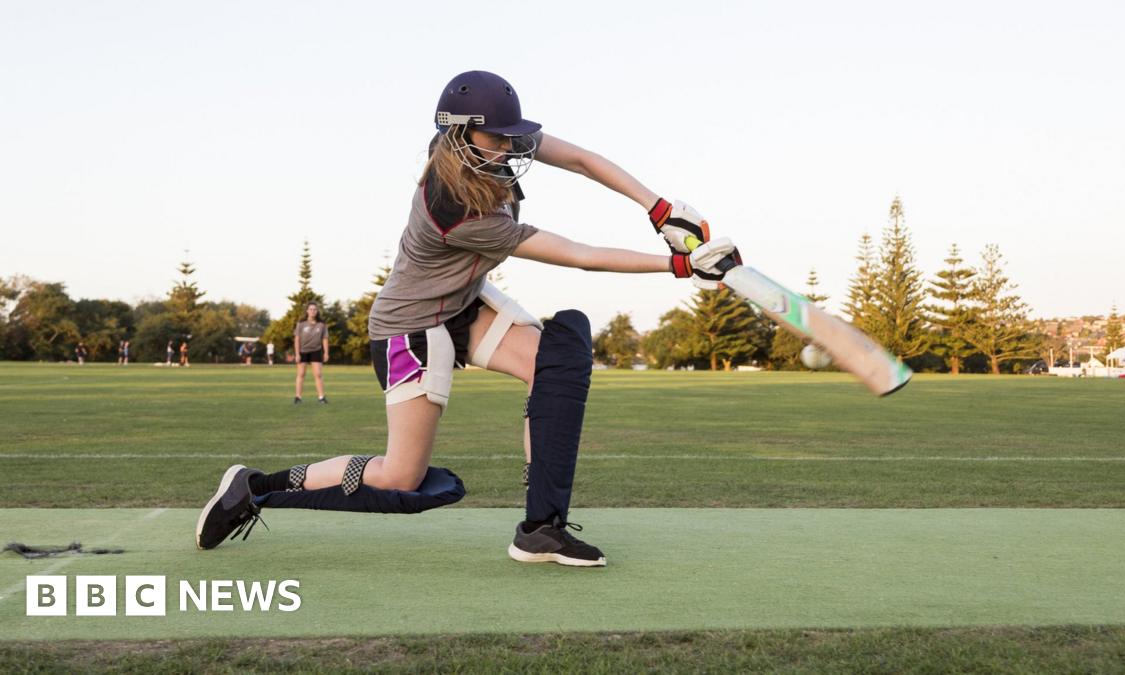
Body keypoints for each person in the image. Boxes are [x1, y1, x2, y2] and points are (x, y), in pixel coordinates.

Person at [195, 71, 737, 568]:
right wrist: (679, 265)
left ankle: (541, 530)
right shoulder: (456, 209)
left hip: (461, 304)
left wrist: (660, 208)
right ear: (460, 134)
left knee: (558, 360)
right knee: (400, 477)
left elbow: (580, 159)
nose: (509, 147)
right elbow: (577, 253)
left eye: (510, 136)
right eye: (497, 138)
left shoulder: (478, 144)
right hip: (410, 327)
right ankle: (256, 486)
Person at [292, 302, 329, 404]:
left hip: (316, 350)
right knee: (301, 373)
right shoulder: (301, 324)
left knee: (318, 374)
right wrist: (297, 354)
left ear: (317, 311)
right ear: (307, 311)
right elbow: (297, 339)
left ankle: (321, 397)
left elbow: (325, 339)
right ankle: (298, 397)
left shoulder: (322, 324)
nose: (313, 311)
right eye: (311, 309)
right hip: (303, 351)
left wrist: (326, 353)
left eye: (315, 309)